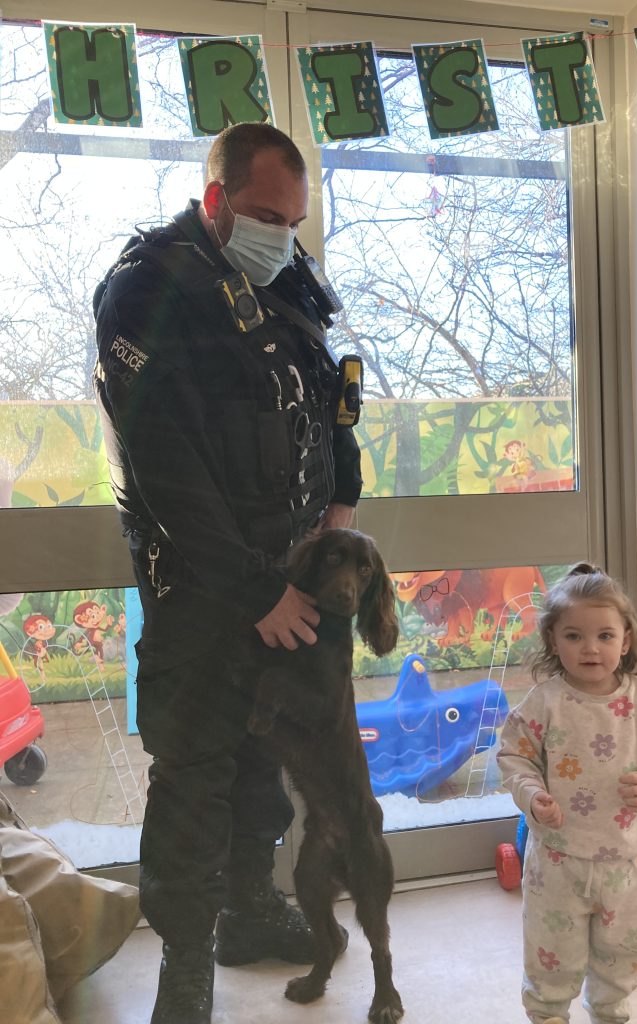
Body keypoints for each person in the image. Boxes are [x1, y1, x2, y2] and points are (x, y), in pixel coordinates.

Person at [92, 122, 362, 1024]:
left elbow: (332, 396)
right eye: (263, 216)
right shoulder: (147, 290)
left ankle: (248, 911)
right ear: (215, 200)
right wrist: (257, 589)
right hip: (204, 587)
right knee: (195, 771)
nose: (280, 236)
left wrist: (343, 500)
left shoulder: (286, 278)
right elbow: (163, 468)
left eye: (292, 221)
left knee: (263, 762)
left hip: (289, 576)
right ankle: (185, 962)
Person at [496, 563, 637, 1024]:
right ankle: (548, 1013)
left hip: (631, 860)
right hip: (558, 861)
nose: (590, 648)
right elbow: (514, 756)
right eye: (574, 636)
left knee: (624, 954)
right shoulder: (544, 703)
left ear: (625, 641)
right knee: (551, 952)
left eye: (605, 636)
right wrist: (532, 794)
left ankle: (609, 1012)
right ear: (553, 640)